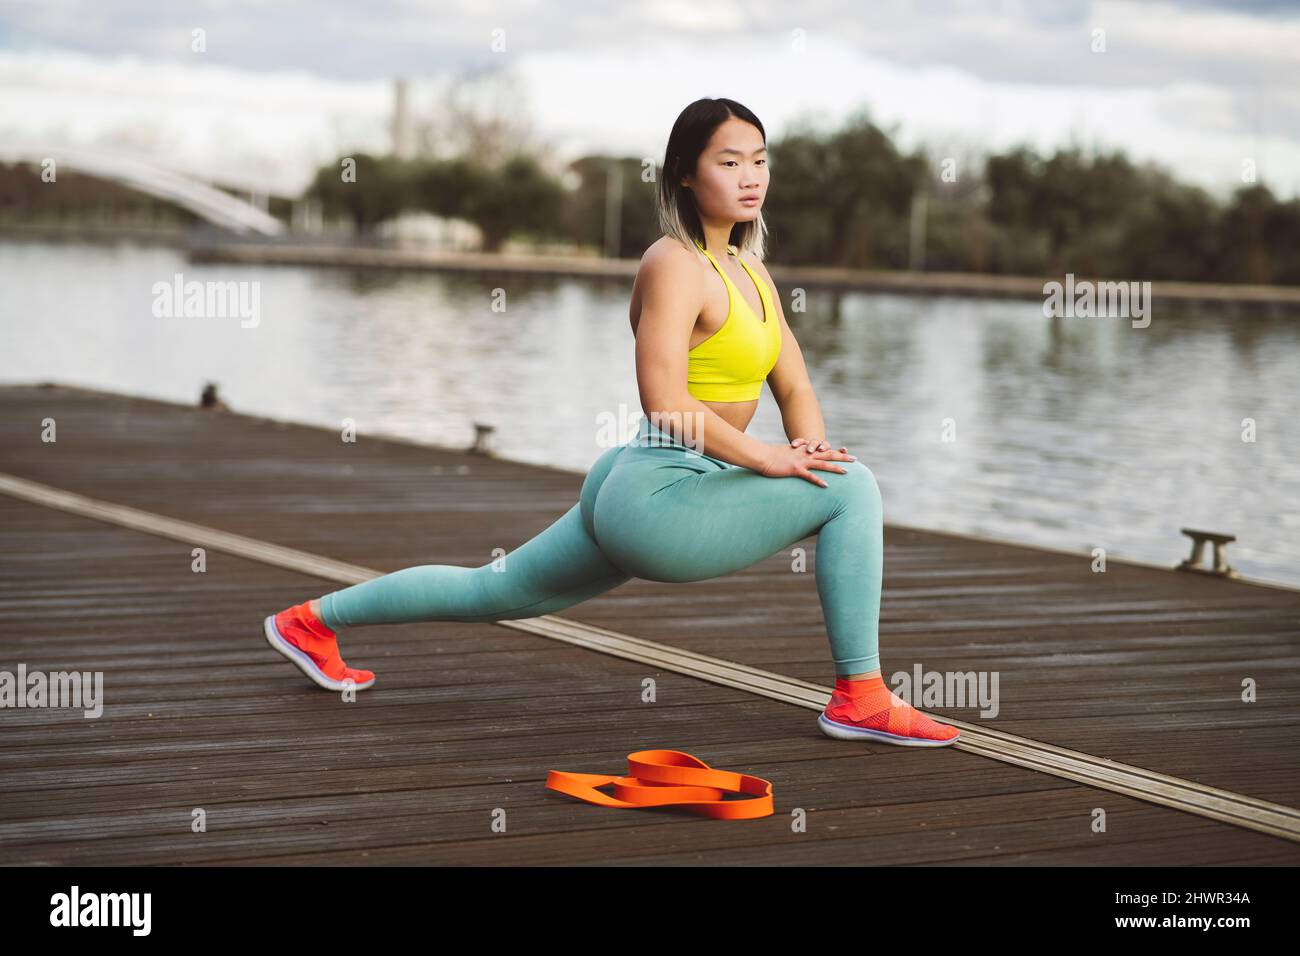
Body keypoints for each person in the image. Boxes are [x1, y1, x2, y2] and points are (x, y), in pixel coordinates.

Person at [264, 97, 959, 747]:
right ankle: (860, 697)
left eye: (760, 159)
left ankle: (309, 623)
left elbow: (794, 380)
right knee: (855, 487)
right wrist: (768, 458)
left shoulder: (749, 268)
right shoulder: (675, 264)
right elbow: (664, 400)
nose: (751, 177)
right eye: (729, 161)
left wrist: (806, 443)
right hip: (659, 495)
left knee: (493, 590)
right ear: (685, 174)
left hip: (641, 484)